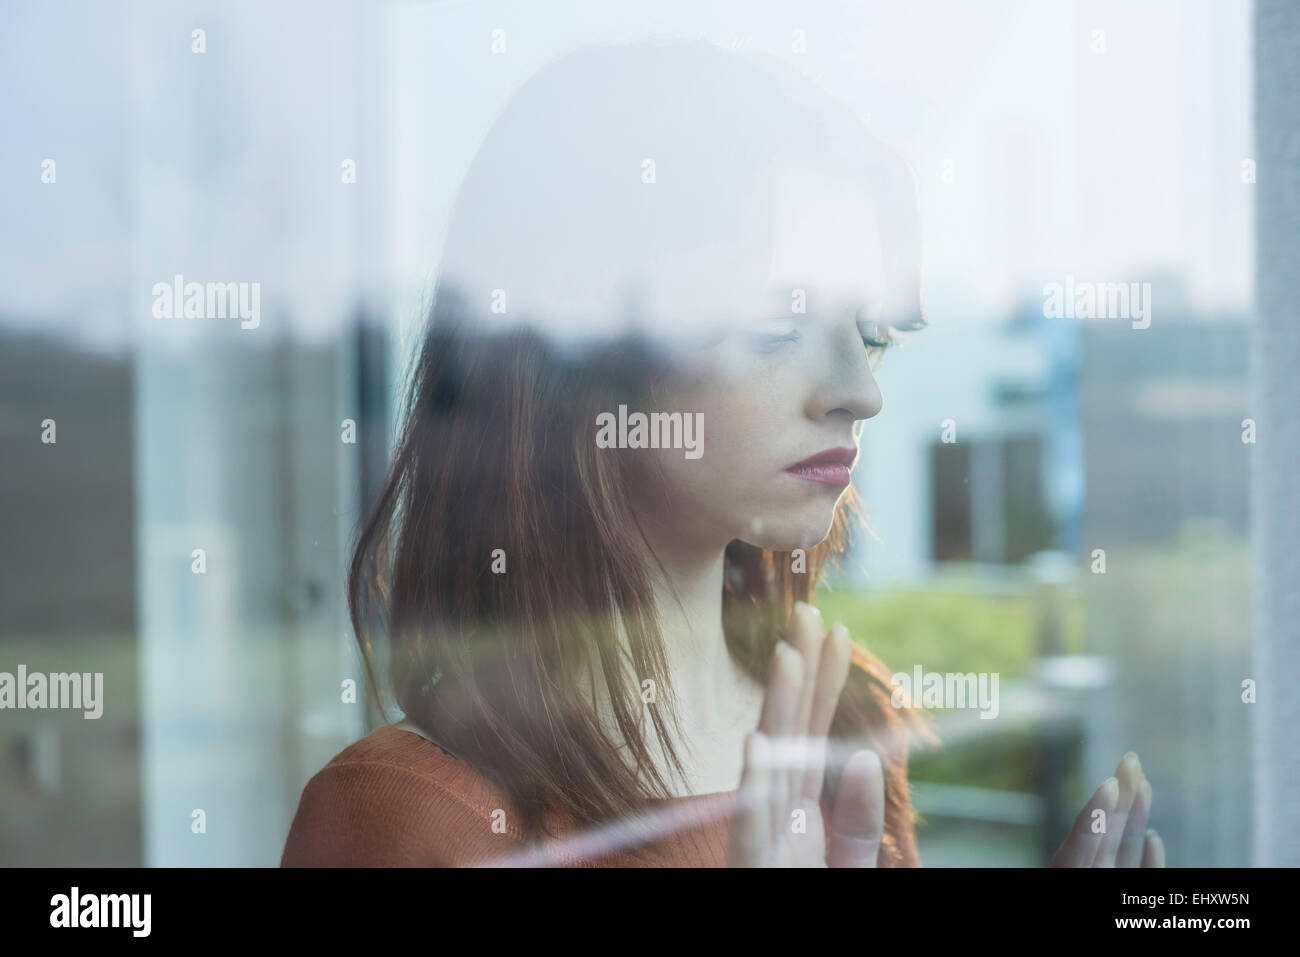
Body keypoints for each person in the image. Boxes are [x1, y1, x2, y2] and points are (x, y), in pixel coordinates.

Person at [281, 38, 1163, 868]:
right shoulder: (407, 819)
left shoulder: (842, 723)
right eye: (778, 323)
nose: (863, 390)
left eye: (873, 333)